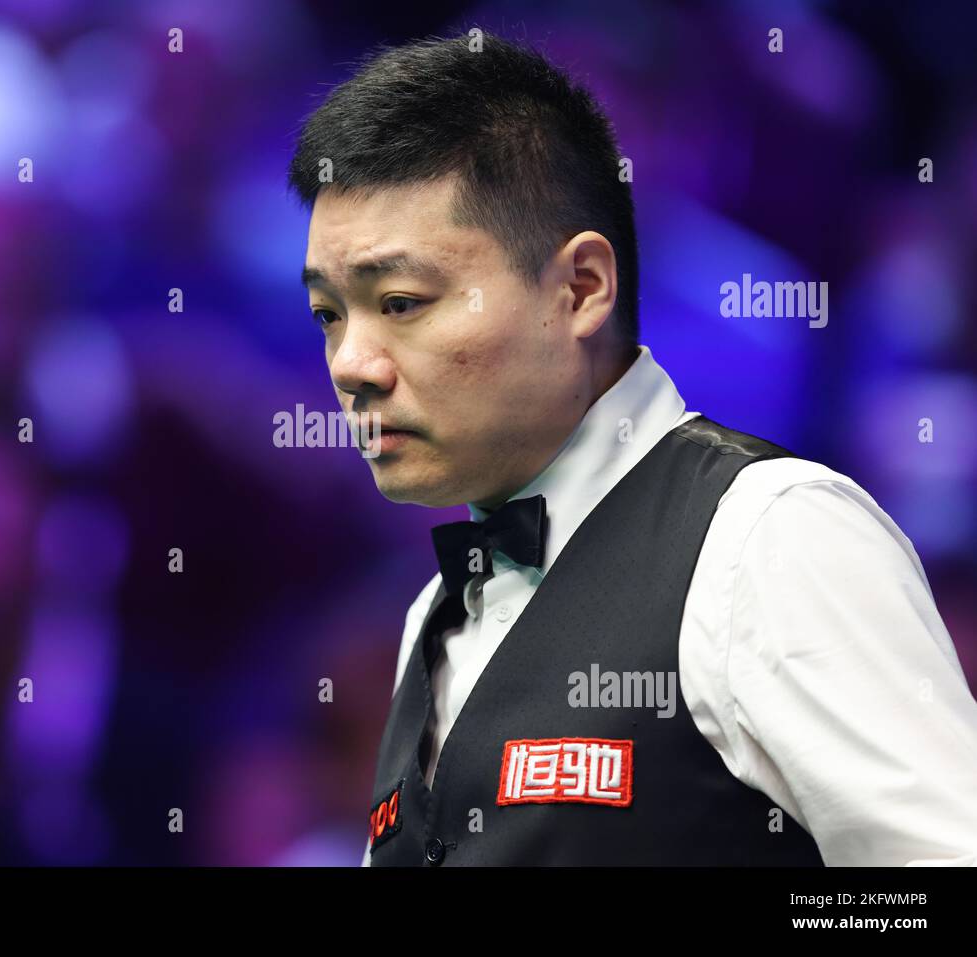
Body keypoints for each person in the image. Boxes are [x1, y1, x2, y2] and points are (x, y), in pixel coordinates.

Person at [286, 32, 977, 866]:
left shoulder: (770, 539)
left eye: (400, 301)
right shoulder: (431, 614)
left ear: (579, 289)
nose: (351, 364)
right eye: (330, 314)